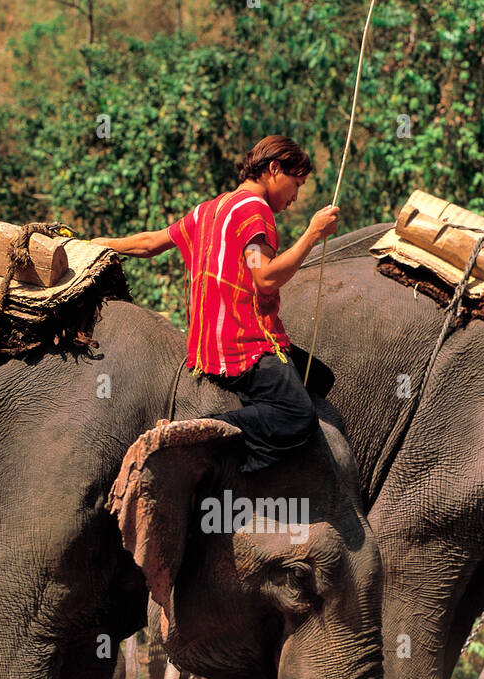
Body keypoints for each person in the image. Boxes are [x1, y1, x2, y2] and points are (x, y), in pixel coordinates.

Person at [92, 137, 340, 472]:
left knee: (319, 378)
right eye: (296, 185)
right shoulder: (255, 210)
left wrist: (101, 242)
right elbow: (265, 278)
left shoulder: (207, 209)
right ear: (274, 169)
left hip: (206, 348)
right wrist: (312, 235)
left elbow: (150, 243)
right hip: (244, 348)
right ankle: (199, 433)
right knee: (298, 415)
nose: (295, 198)